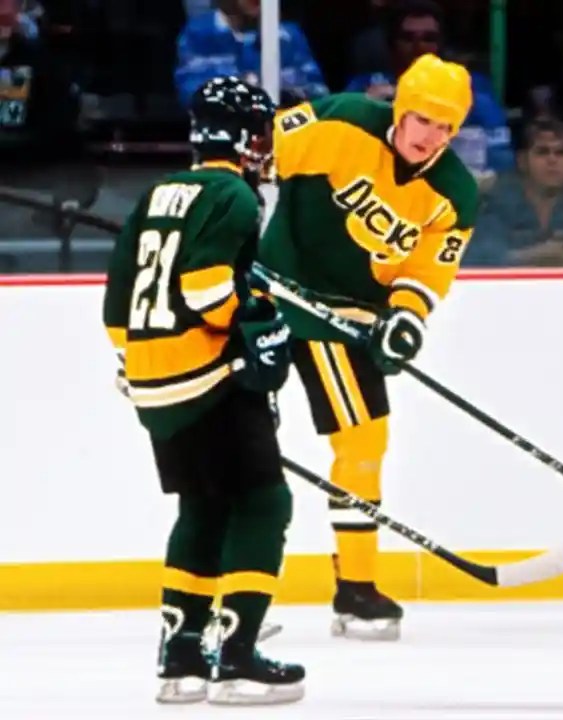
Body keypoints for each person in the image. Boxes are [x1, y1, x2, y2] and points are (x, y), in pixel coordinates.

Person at [256, 53, 479, 641]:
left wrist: (406, 319)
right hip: (268, 299)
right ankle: (231, 593)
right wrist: (224, 236)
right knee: (241, 441)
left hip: (348, 319)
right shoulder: (340, 121)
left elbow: (427, 272)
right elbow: (250, 159)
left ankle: (355, 589)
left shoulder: (453, 192)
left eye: (444, 127)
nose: (429, 136)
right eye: (422, 119)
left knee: (363, 442)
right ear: (399, 110)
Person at [102, 76, 301, 705]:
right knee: (265, 504)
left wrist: (137, 362)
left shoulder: (156, 196)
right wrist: (259, 321)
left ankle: (180, 658)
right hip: (210, 378)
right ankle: (238, 657)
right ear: (242, 136)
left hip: (154, 381)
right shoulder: (236, 196)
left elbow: (116, 309)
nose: (266, 146)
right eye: (262, 132)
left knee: (203, 507)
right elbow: (206, 291)